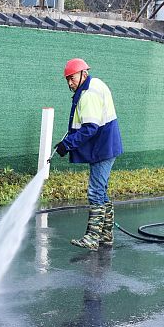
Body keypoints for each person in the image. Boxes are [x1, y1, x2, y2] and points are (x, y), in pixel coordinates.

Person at [55, 58, 123, 250]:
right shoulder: (93, 85)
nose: (70, 82)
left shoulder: (88, 94)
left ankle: (93, 238)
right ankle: (106, 236)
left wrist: (66, 145)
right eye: (67, 79)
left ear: (83, 73)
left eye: (72, 78)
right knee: (101, 191)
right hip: (105, 146)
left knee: (95, 192)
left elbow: (89, 129)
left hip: (103, 148)